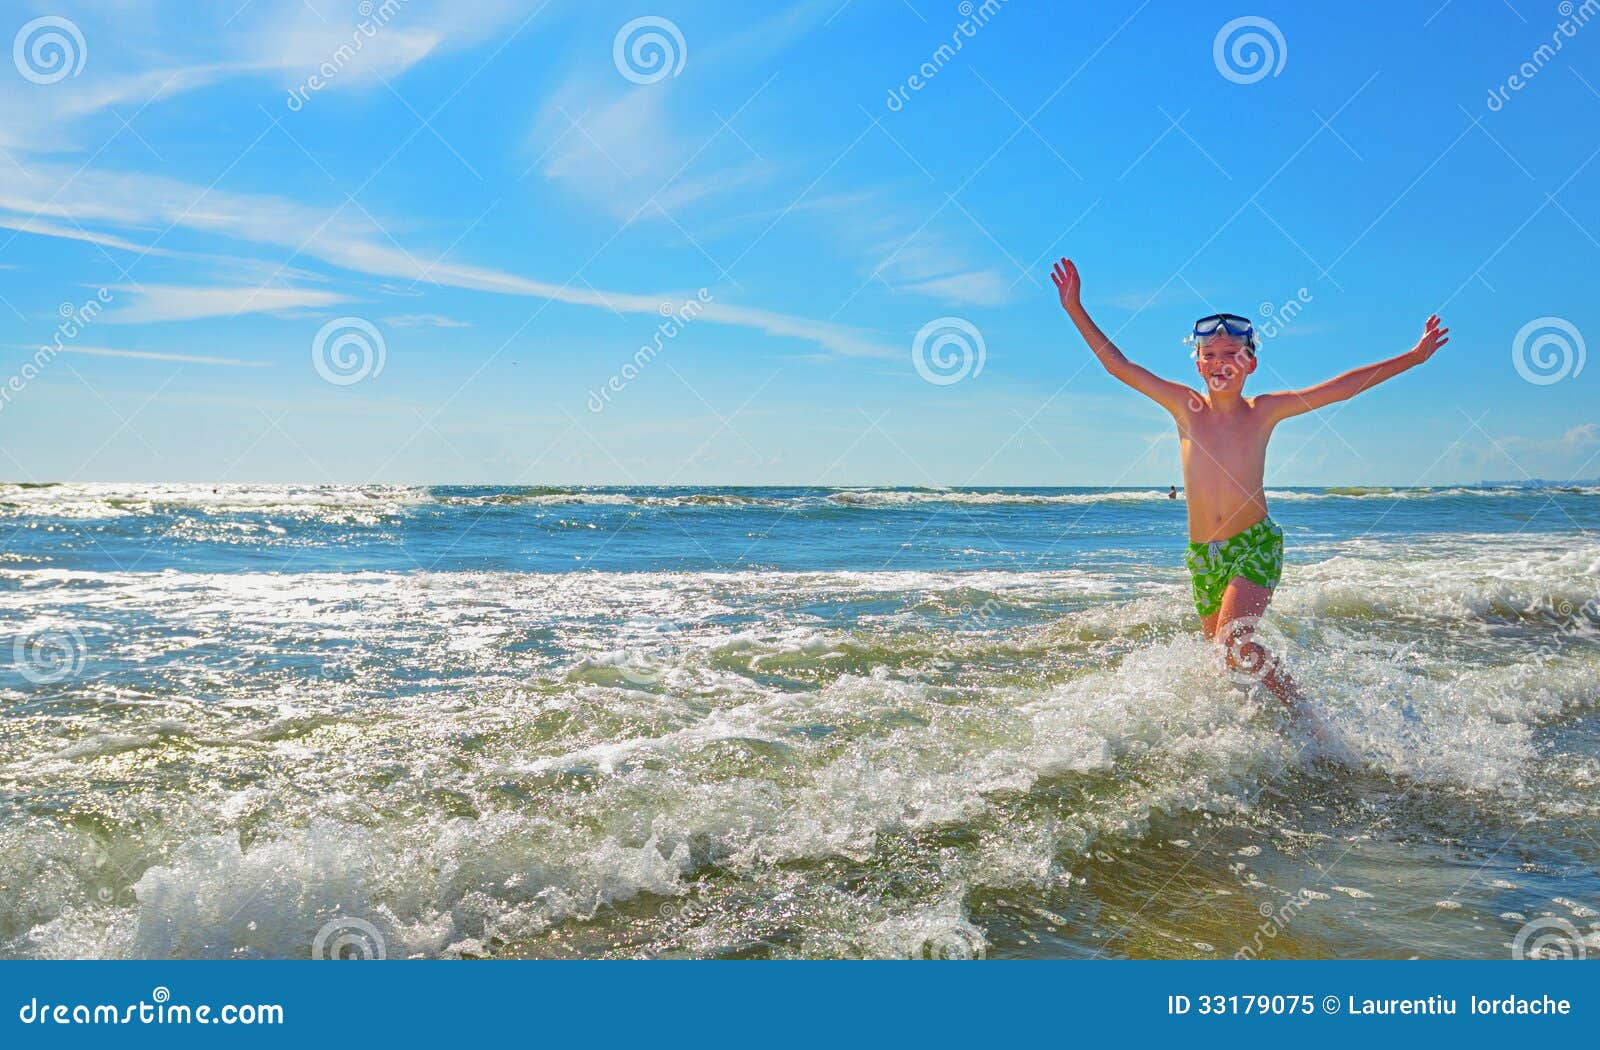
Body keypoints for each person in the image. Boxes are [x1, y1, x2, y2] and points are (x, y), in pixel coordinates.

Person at [1050, 257, 1449, 707]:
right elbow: (1118, 366)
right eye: (1211, 356)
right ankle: (1261, 726)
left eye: (1232, 355)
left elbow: (1341, 387)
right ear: (1198, 365)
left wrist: (1413, 358)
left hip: (1255, 545)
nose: (1221, 363)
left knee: (1232, 645)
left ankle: (1309, 722)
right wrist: (1074, 309)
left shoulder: (1263, 411)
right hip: (1204, 555)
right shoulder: (1184, 406)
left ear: (1250, 364)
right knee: (1221, 660)